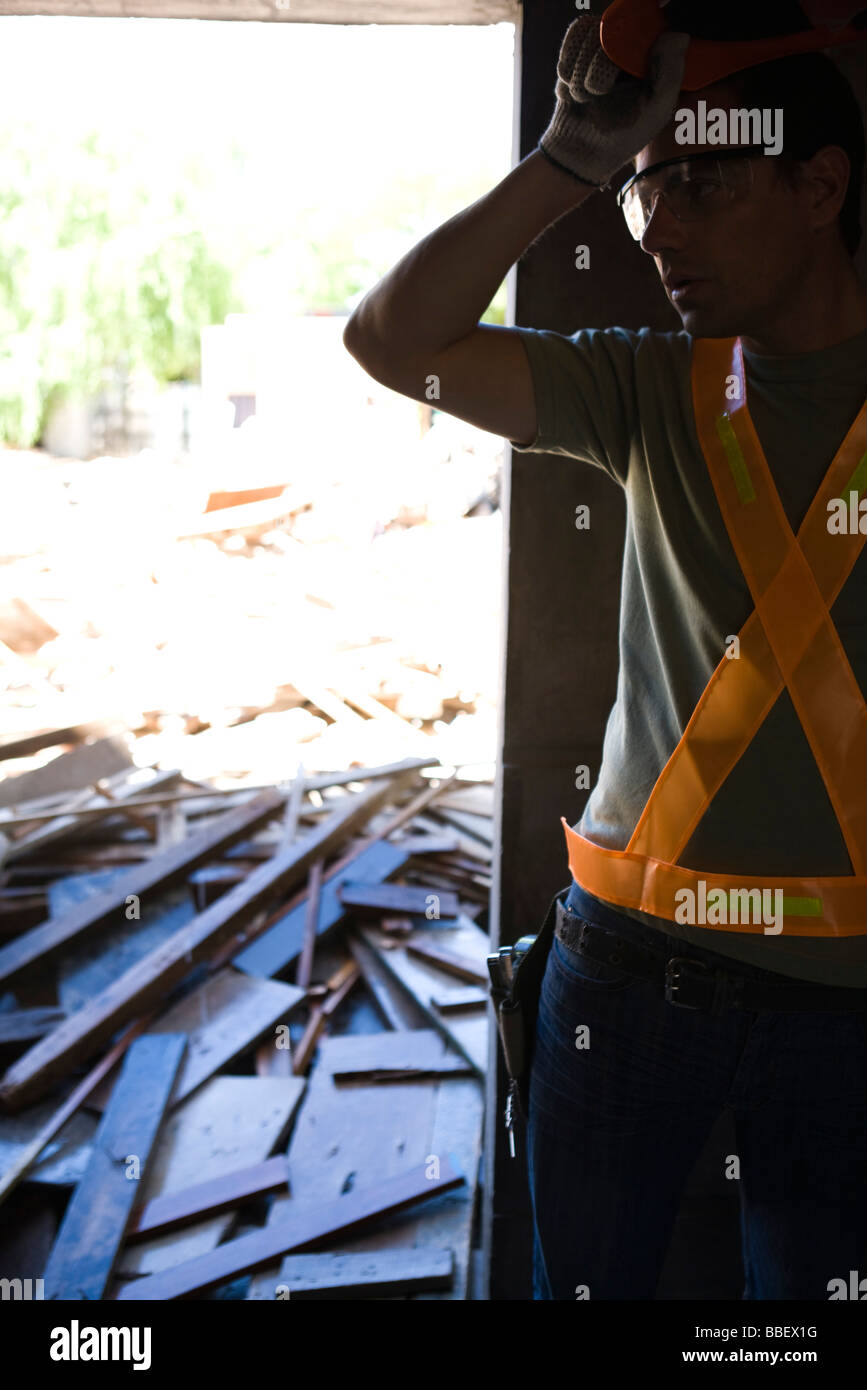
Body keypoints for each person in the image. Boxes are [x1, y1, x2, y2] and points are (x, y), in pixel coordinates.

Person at [343, 14, 867, 1300]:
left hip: (845, 1001)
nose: (661, 231)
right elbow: (391, 344)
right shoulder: (653, 390)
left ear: (819, 185)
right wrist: (570, 164)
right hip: (624, 976)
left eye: (700, 183)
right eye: (643, 201)